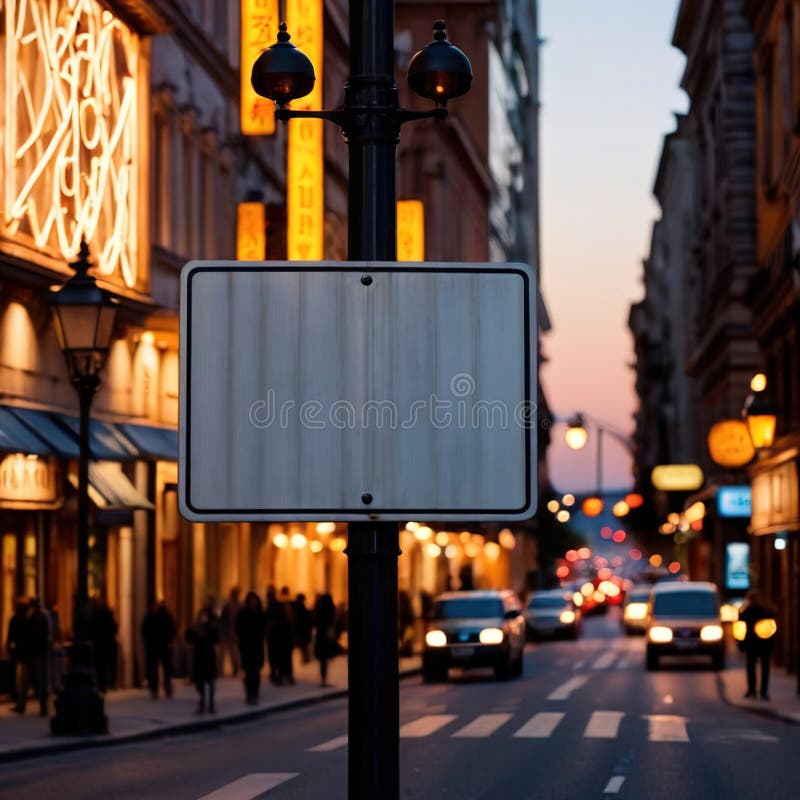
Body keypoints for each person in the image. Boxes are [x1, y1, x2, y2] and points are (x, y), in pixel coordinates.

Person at [739, 589, 776, 700]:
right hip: (764, 643)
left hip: (752, 642)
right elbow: (772, 627)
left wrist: (741, 642)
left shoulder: (747, 611)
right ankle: (763, 692)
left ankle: (752, 690)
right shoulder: (767, 611)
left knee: (751, 667)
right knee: (764, 668)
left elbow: (742, 629)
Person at [186, 602, 219, 713]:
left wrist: (210, 628)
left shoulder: (212, 627)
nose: (203, 617)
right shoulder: (195, 626)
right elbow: (189, 638)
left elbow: (216, 639)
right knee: (200, 682)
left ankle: (210, 704)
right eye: (202, 615)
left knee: (210, 682)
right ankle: (202, 702)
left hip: (209, 656)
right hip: (199, 656)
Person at [141, 600, 177, 699]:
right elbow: (172, 630)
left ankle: (156, 689)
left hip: (156, 646)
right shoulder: (164, 617)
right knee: (165, 668)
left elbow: (144, 631)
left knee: (156, 668)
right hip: (162, 646)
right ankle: (165, 688)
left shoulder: (152, 617)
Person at [236, 592, 266, 704]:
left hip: (257, 646)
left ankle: (255, 693)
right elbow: (238, 629)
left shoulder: (260, 614)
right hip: (247, 647)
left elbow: (263, 628)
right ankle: (250, 694)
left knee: (256, 672)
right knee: (249, 673)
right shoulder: (243, 614)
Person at [25, 598, 51, 716]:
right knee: (43, 678)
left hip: (35, 650)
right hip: (42, 650)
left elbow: (28, 635)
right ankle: (44, 704)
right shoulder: (43, 617)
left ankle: (42, 702)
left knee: (38, 677)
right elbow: (47, 633)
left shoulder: (31, 618)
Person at [265, 586, 294, 685]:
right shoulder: (279, 605)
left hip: (279, 636)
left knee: (279, 657)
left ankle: (281, 675)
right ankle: (284, 675)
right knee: (283, 657)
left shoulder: (275, 606)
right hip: (281, 635)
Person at [91, 596, 118, 692]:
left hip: (99, 644)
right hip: (107, 643)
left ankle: (101, 683)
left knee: (100, 665)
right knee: (107, 665)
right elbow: (114, 628)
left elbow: (92, 629)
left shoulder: (95, 615)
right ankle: (107, 683)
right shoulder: (108, 614)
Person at [6, 598, 29, 711]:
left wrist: (9, 648)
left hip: (19, 652)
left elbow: (10, 636)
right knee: (22, 679)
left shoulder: (16, 619)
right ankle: (20, 700)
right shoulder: (26, 619)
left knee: (20, 678)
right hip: (24, 652)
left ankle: (20, 701)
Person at [313, 593, 337, 687]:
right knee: (325, 660)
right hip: (327, 638)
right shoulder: (330, 610)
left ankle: (323, 678)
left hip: (320, 637)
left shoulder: (318, 610)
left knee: (322, 660)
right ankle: (324, 678)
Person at [219, 587, 241, 677]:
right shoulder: (239, 605)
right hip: (232, 631)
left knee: (230, 652)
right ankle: (235, 667)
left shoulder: (229, 605)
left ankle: (232, 668)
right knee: (233, 652)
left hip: (229, 631)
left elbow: (223, 620)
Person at [292, 593, 313, 664]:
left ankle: (305, 658)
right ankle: (305, 658)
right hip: (302, 630)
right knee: (304, 645)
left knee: (303, 645)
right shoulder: (301, 607)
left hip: (300, 630)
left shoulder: (296, 607)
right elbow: (305, 619)